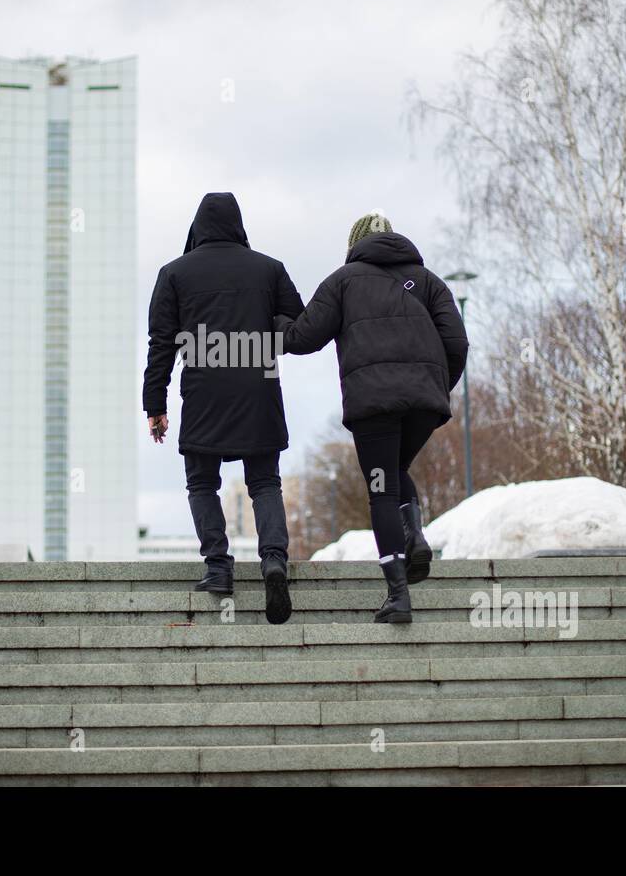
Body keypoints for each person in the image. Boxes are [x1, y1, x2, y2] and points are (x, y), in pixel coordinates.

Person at [275, 213, 468, 623]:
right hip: (423, 403)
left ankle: (398, 595)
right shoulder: (430, 281)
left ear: (355, 244)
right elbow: (458, 342)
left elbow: (302, 338)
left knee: (381, 487)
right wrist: (436, 388)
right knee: (395, 469)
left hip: (373, 404)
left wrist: (275, 320)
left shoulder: (343, 281)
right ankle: (414, 535)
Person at [143, 192, 304, 625]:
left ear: (197, 227)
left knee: (201, 483)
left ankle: (218, 567)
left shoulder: (174, 273)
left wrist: (154, 404)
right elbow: (297, 322)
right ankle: (273, 560)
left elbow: (161, 343)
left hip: (204, 390)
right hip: (257, 384)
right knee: (265, 482)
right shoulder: (269, 269)